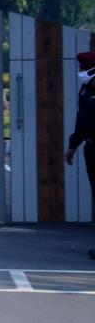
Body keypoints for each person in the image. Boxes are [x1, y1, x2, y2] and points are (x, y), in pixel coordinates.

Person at [64, 51, 95, 259]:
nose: (80, 71)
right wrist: (73, 145)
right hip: (91, 148)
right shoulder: (86, 90)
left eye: (83, 68)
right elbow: (81, 120)